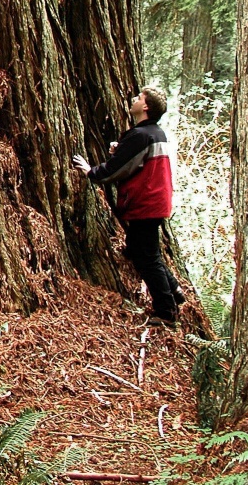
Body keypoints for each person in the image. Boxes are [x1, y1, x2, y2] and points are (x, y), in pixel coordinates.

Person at [72, 87, 184, 324]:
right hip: (155, 201)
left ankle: (167, 312)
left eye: (139, 98)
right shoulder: (153, 133)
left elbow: (118, 168)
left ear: (146, 107)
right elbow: (136, 160)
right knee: (139, 249)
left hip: (147, 203)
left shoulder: (141, 135)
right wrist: (120, 150)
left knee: (148, 258)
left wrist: (91, 172)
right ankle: (174, 291)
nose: (133, 99)